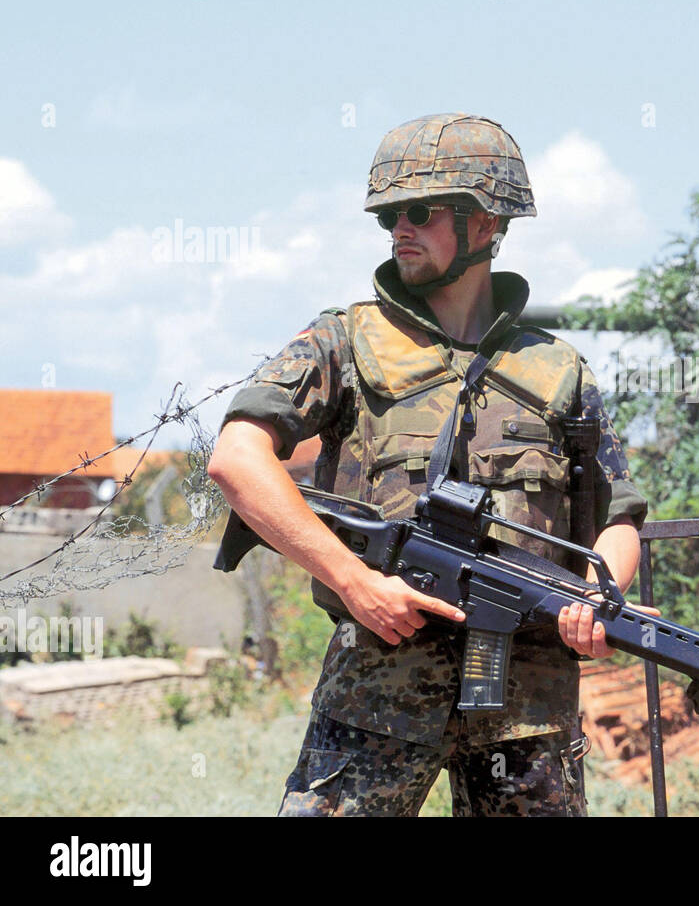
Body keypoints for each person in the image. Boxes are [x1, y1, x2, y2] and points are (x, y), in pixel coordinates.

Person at [207, 113, 649, 816]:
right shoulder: (346, 341)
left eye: (419, 212)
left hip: (526, 715)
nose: (397, 230)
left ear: (486, 224)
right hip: (375, 699)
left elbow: (618, 517)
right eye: (387, 216)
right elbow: (235, 458)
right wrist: (353, 580)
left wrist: (600, 600)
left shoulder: (558, 369)